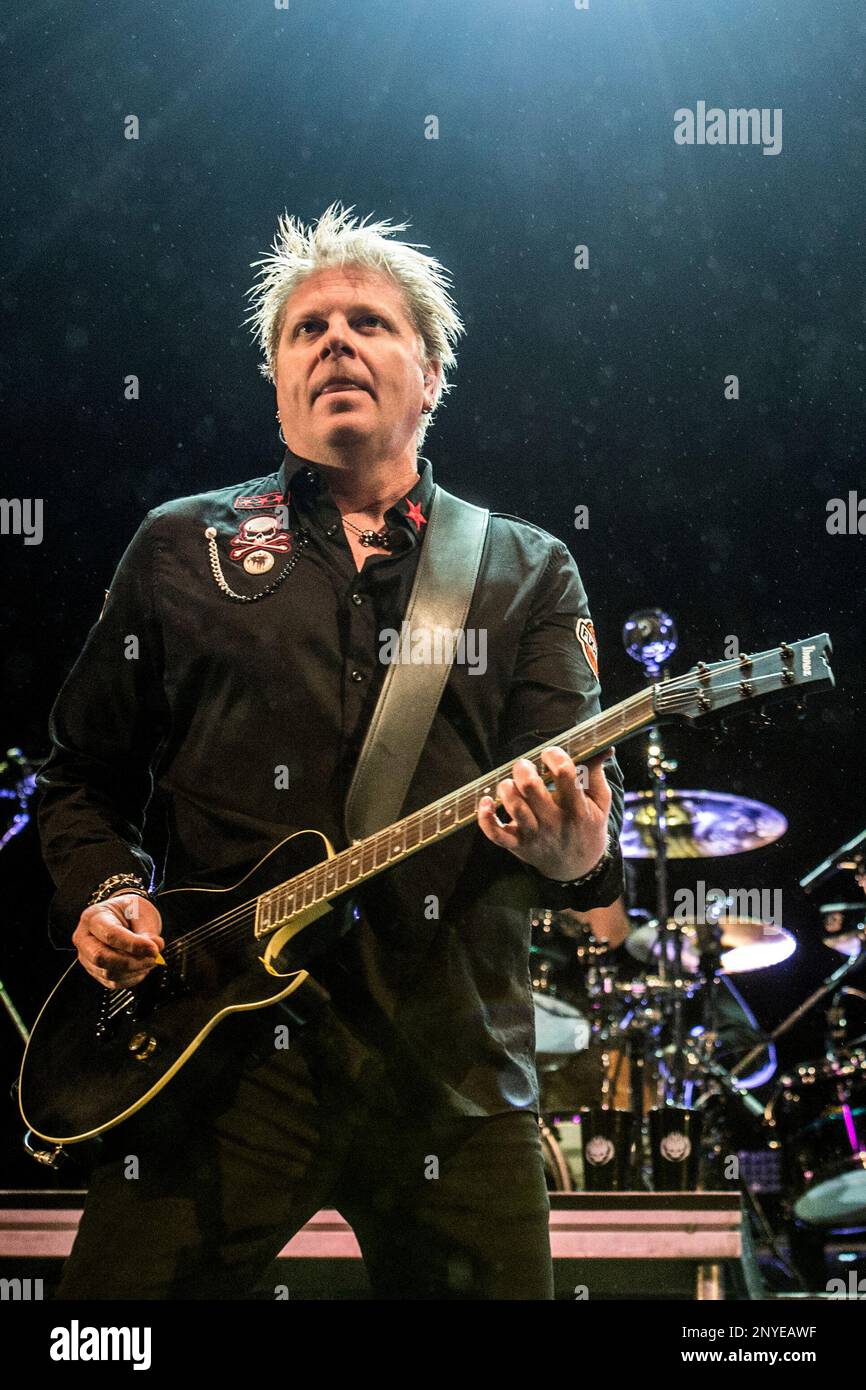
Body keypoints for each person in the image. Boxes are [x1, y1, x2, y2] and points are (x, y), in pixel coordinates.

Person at [35, 202, 625, 1300]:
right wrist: (110, 891)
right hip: (216, 1062)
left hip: (447, 1066)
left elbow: (578, 837)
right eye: (305, 330)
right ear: (276, 386)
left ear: (431, 370)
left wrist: (574, 853)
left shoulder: (524, 569)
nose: (335, 342)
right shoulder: (180, 545)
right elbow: (79, 772)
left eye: (368, 322)